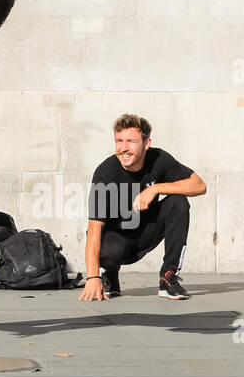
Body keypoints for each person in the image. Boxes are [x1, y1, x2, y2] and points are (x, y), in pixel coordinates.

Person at [79, 115, 207, 303]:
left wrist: (155, 188)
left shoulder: (159, 159)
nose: (123, 148)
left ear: (147, 143)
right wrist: (92, 277)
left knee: (178, 202)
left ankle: (168, 278)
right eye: (119, 141)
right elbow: (94, 229)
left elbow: (199, 185)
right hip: (117, 243)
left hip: (147, 231)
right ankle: (109, 275)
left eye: (131, 141)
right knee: (107, 245)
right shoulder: (105, 173)